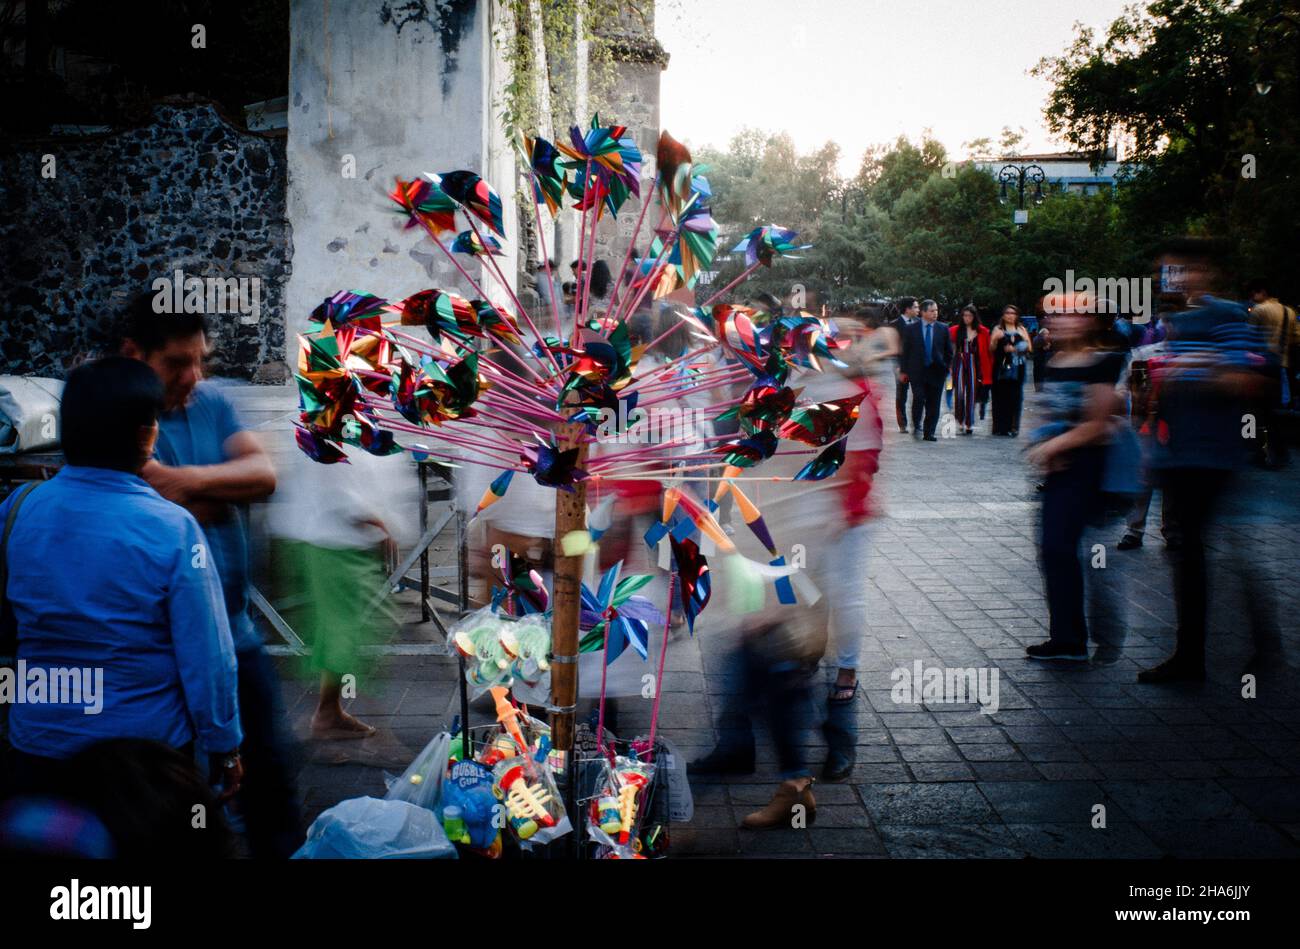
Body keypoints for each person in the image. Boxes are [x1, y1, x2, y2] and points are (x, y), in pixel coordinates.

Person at [0, 357, 243, 800]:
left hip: (38, 744)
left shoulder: (17, 509)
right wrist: (224, 743)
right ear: (145, 435)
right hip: (142, 758)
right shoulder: (172, 527)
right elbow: (207, 655)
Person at [120, 295, 301, 859]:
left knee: (271, 775)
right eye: (177, 362)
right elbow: (151, 506)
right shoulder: (117, 416)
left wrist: (186, 483)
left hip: (237, 632)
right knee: (177, 793)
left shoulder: (212, 402)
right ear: (135, 354)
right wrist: (213, 488)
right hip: (161, 648)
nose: (193, 376)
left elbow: (263, 474)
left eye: (201, 360)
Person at [1024, 304, 1126, 661]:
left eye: (1070, 312)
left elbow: (1097, 423)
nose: (1058, 319)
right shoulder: (1054, 361)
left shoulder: (1103, 363)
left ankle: (1078, 636)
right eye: (1055, 313)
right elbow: (1048, 410)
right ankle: (1069, 636)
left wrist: (1056, 444)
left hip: (1089, 467)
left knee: (1065, 547)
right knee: (1057, 550)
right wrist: (1040, 441)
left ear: (1089, 320)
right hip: (1059, 467)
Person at [1246, 277, 1295, 467]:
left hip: (1261, 366)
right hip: (1282, 366)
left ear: (1262, 292)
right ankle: (1279, 451)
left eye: (1254, 293)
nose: (1252, 298)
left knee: (1255, 412)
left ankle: (1259, 451)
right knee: (1273, 412)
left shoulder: (1259, 311)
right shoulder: (1288, 311)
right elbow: (1295, 338)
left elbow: (1250, 338)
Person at [899, 299, 952, 441]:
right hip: (917, 371)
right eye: (932, 311)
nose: (935, 313)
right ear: (923, 312)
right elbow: (906, 352)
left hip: (937, 371)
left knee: (934, 403)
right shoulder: (911, 329)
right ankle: (917, 424)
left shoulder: (943, 328)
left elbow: (948, 351)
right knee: (919, 398)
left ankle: (929, 432)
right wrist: (904, 371)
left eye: (936, 310)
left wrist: (946, 367)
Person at [949, 304, 991, 435]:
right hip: (959, 361)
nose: (967, 318)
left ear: (974, 317)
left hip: (974, 363)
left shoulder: (982, 331)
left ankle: (969, 423)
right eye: (965, 315)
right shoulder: (955, 330)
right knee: (960, 392)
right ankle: (960, 420)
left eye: (970, 316)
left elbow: (987, 350)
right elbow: (951, 349)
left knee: (972, 393)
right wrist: (950, 366)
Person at [990, 305, 1032, 435]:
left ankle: (1014, 427)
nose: (1010, 315)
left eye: (1013, 313)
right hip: (1001, 368)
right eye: (1007, 313)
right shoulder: (998, 329)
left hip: (1017, 367)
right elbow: (991, 349)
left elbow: (1030, 348)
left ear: (1016, 315)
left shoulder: (1021, 329)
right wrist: (996, 339)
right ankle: (999, 428)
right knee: (999, 397)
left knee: (1016, 397)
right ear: (1003, 315)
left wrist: (1016, 348)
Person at [891, 297, 920, 432]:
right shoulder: (895, 325)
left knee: (918, 394)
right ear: (907, 309)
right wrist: (897, 365)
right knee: (901, 394)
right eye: (915, 307)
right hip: (900, 364)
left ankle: (917, 423)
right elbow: (892, 346)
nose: (918, 310)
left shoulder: (920, 323)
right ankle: (902, 423)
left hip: (916, 365)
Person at [1031, 325, 1052, 392]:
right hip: (1040, 359)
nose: (1048, 335)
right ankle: (1040, 388)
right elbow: (1045, 348)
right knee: (1040, 374)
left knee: (1036, 374)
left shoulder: (1035, 338)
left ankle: (1037, 388)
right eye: (1047, 334)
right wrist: (1048, 345)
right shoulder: (1042, 339)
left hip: (1036, 358)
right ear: (1043, 333)